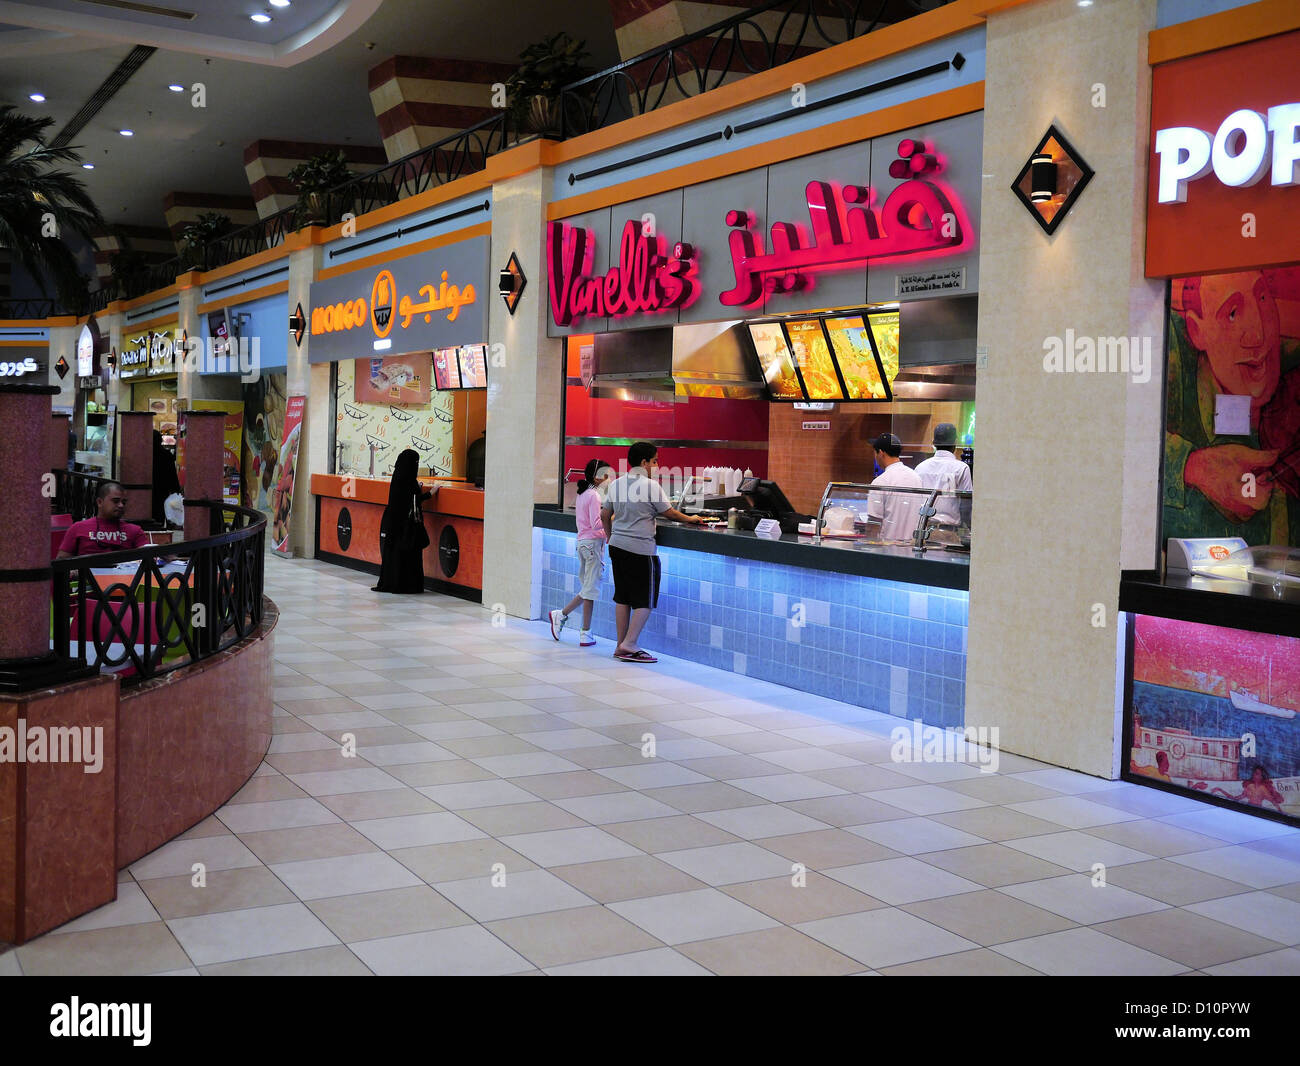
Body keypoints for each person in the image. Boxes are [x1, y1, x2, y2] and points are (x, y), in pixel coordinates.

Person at [1165, 269, 1300, 544]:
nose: (1258, 335)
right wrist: (1194, 467)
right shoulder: (1170, 349)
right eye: (1232, 313)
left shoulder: (1294, 368)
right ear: (1197, 331)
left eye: (1262, 298)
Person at [601, 441, 705, 663]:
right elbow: (670, 513)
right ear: (644, 462)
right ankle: (630, 644)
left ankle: (621, 645)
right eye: (655, 461)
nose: (657, 465)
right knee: (645, 600)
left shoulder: (616, 483)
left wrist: (611, 537)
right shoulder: (650, 486)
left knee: (623, 597)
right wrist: (692, 518)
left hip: (617, 546)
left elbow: (604, 514)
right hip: (641, 549)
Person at [551, 458, 613, 647]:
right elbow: (596, 524)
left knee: (589, 588)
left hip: (583, 544)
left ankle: (586, 632)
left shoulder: (583, 493)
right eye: (606, 475)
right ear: (597, 477)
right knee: (590, 589)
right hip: (592, 545)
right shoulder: (594, 495)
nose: (608, 479)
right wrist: (611, 527)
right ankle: (562, 615)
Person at [372, 449, 432, 594]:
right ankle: (408, 585)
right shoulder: (409, 480)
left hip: (394, 525)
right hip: (407, 527)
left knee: (394, 555)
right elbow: (412, 500)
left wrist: (417, 488)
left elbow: (405, 495)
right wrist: (430, 494)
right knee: (408, 556)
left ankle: (391, 582)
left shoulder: (398, 477)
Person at [57, 482, 149, 558]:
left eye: (123, 502)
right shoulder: (77, 528)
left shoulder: (135, 531)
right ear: (99, 502)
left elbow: (149, 559)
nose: (121, 505)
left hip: (124, 578)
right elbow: (62, 562)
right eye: (116, 501)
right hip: (86, 578)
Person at [865, 432, 924, 541]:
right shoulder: (916, 477)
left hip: (888, 548)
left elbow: (874, 522)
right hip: (911, 546)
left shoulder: (880, 482)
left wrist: (867, 548)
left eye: (875, 453)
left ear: (881, 453)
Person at [914, 422, 972, 528]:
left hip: (922, 529)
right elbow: (966, 505)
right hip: (949, 531)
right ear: (955, 442)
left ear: (933, 442)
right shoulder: (961, 468)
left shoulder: (920, 467)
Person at [151, 429, 182, 526]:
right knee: (160, 514)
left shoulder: (144, 455)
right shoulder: (166, 455)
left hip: (147, 490)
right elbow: (171, 474)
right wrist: (176, 489)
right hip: (162, 490)